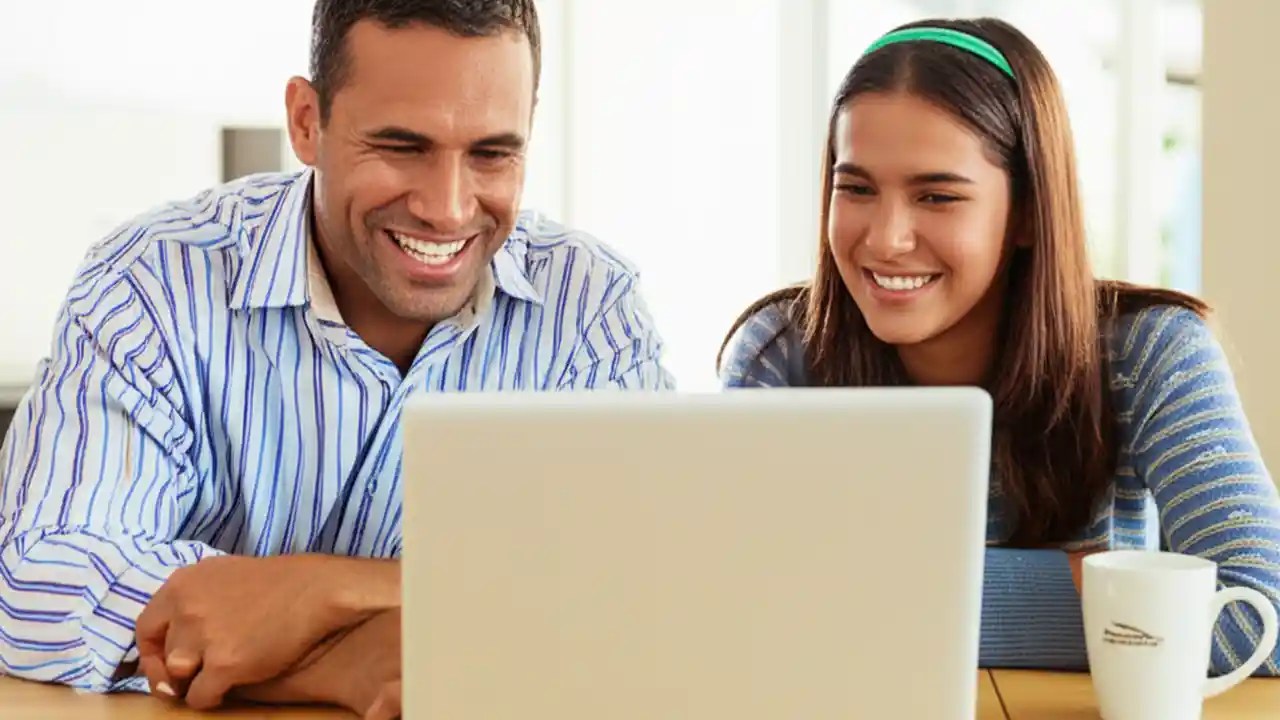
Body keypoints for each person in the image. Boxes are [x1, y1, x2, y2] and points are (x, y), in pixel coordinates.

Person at [0, 0, 672, 716]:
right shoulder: (154, 282)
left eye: (492, 153)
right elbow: (42, 577)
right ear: (306, 122)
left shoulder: (591, 308)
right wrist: (344, 665)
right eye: (402, 147)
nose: (447, 209)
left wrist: (316, 590)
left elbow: (651, 589)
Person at [718, 18, 1280, 676]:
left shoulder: (1152, 352)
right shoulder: (781, 354)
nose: (886, 239)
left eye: (937, 196)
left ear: (1027, 212)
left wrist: (866, 596)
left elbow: (1257, 615)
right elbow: (738, 607)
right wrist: (1099, 588)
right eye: (857, 188)